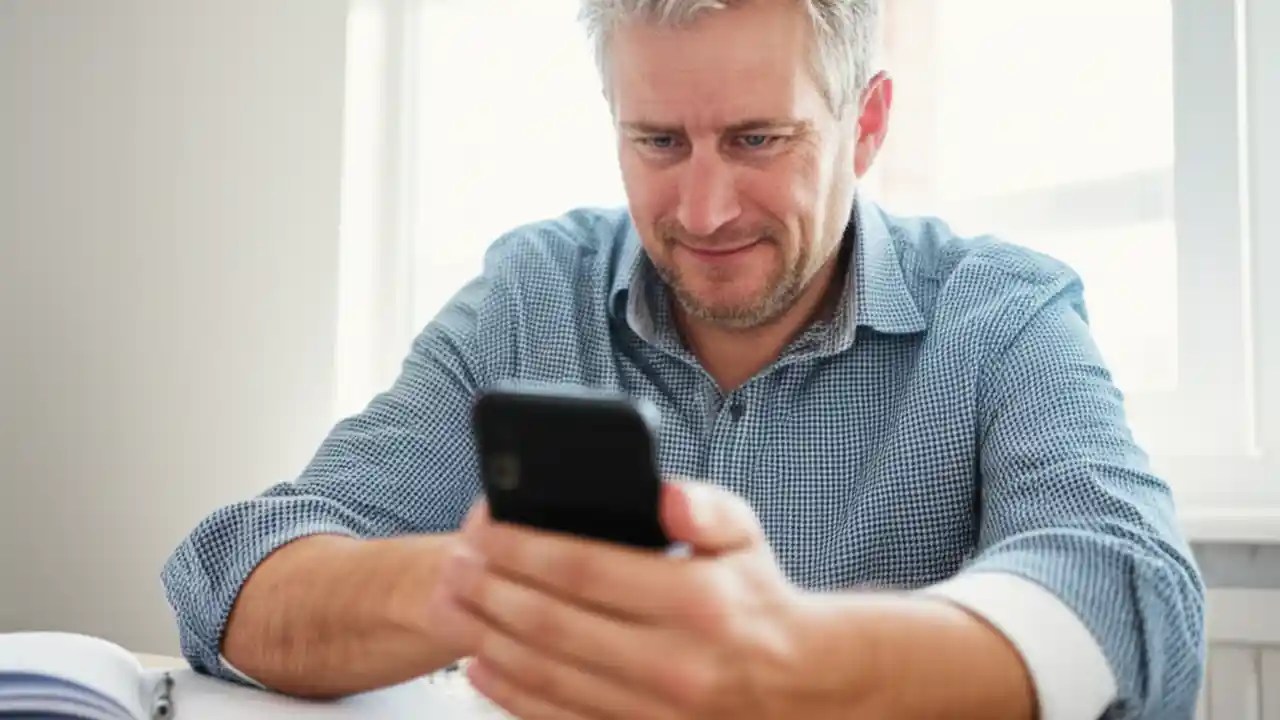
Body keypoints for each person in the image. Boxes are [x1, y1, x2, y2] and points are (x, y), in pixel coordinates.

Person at [161, 0, 1205, 717]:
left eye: (758, 140)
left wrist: (785, 664)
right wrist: (489, 586)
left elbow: (1128, 589)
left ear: (866, 123)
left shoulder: (999, 314)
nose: (702, 214)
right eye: (657, 142)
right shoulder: (532, 294)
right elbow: (235, 572)